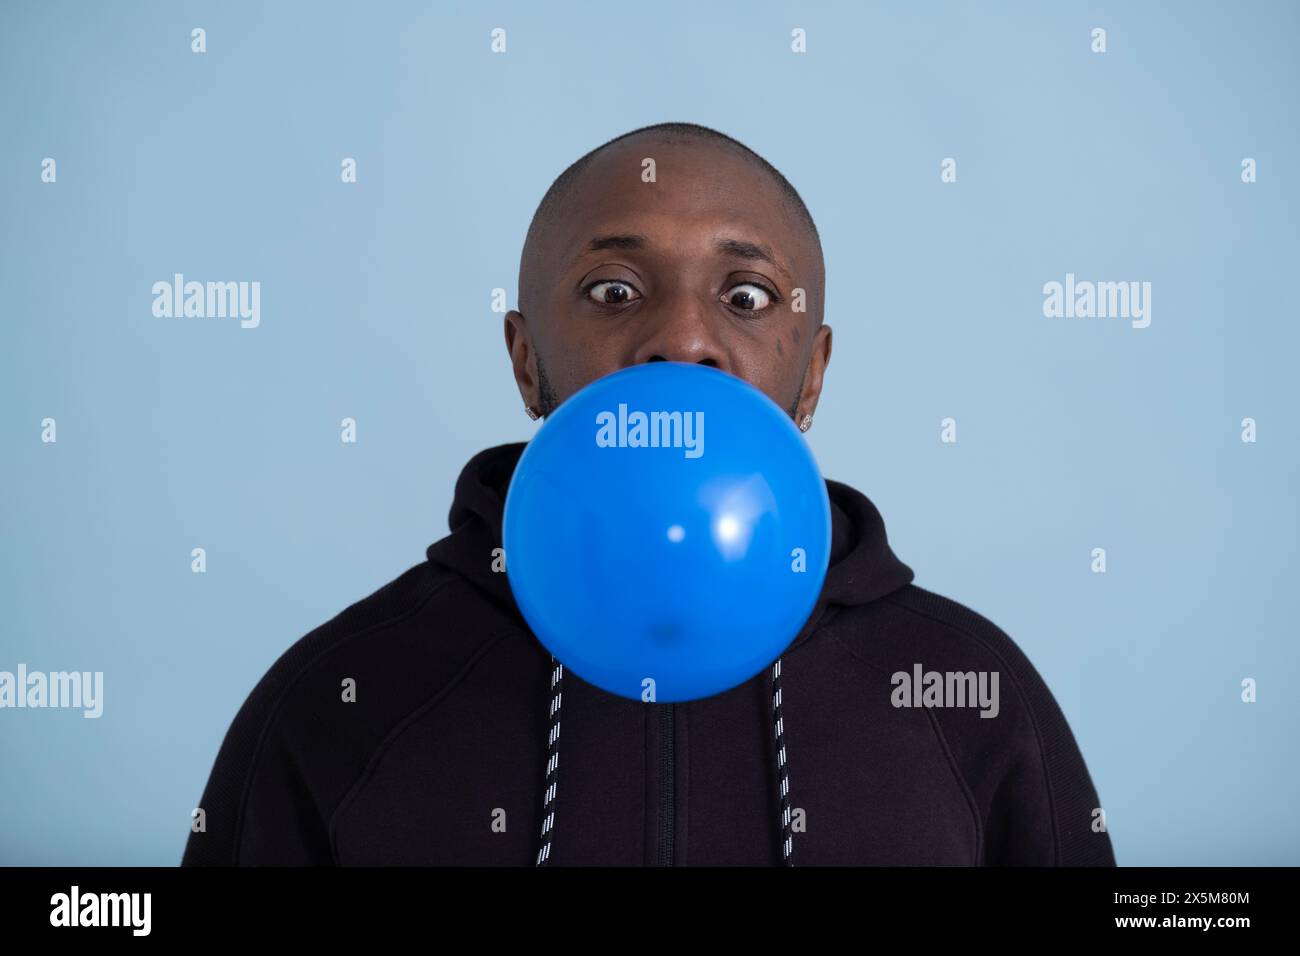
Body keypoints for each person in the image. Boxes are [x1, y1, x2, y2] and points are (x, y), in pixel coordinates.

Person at [182, 122, 1116, 866]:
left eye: (746, 297)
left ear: (814, 375)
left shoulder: (972, 696)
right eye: (614, 289)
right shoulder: (341, 699)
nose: (681, 340)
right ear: (524, 359)